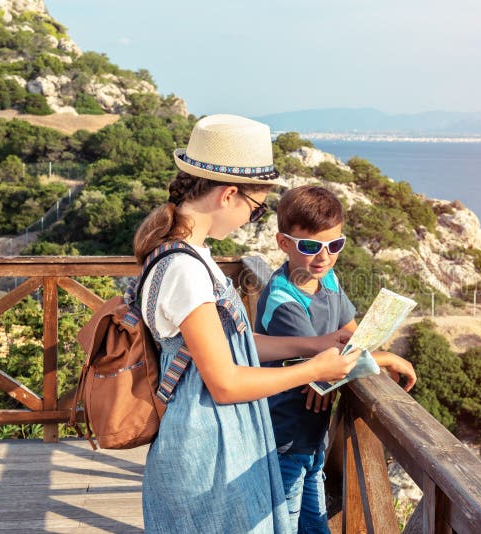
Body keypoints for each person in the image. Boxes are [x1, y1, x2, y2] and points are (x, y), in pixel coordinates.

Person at [134, 115, 360, 533]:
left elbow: (234, 345)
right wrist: (314, 371)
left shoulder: (187, 254)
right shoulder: (186, 269)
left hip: (210, 441)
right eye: (255, 211)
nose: (249, 221)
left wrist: (315, 345)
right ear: (229, 195)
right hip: (206, 451)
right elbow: (225, 383)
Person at [256, 185, 417, 533]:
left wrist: (336, 368)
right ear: (284, 243)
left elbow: (352, 338)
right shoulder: (283, 302)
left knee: (312, 523)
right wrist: (384, 357)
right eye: (311, 246)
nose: (324, 257)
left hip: (314, 433)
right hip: (285, 435)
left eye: (335, 245)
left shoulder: (327, 278)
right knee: (282, 523)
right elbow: (334, 359)